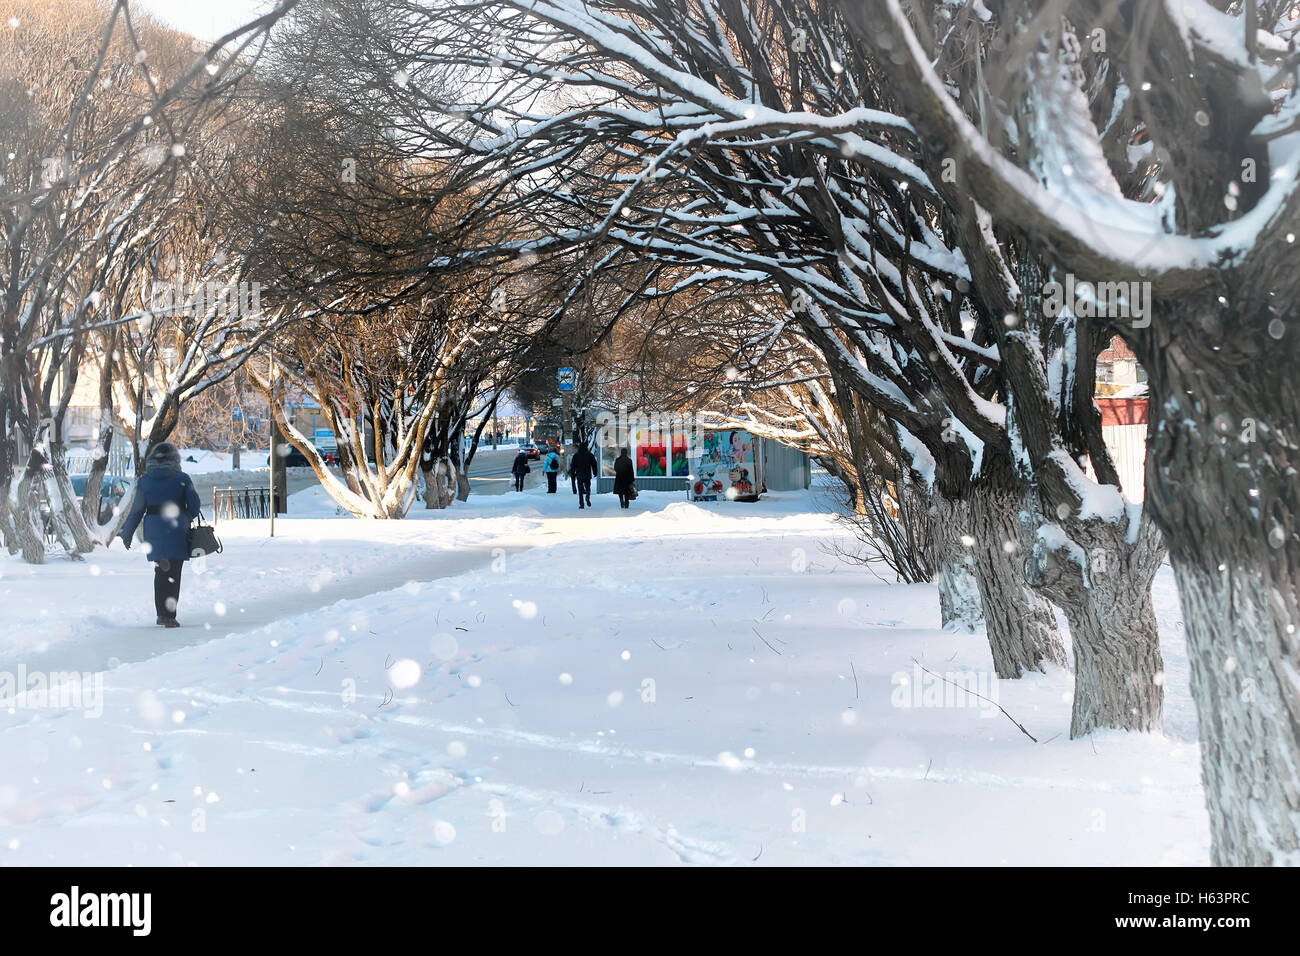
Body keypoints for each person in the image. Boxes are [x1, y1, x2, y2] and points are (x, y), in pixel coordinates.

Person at [118, 442, 202, 628]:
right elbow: (195, 506)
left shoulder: (145, 481)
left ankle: (161, 614)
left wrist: (127, 532)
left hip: (154, 529)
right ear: (175, 459)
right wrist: (186, 517)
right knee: (174, 572)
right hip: (176, 529)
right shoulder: (182, 478)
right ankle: (169, 616)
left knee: (161, 571)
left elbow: (137, 510)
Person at [568, 442, 598, 509]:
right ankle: (587, 495)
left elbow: (573, 466)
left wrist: (572, 473)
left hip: (579, 475)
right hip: (587, 474)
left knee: (580, 490)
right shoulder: (590, 455)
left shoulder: (576, 455)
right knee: (588, 487)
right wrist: (595, 472)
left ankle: (581, 504)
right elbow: (594, 464)